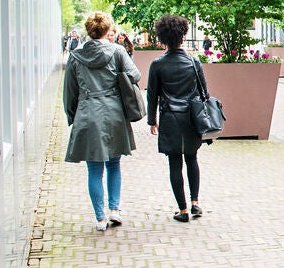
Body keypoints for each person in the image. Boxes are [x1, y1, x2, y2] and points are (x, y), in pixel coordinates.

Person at [63, 12, 140, 231]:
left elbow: (70, 90)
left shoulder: (76, 56)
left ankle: (100, 218)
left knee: (94, 169)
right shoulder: (117, 51)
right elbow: (135, 75)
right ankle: (114, 210)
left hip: (88, 113)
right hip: (114, 112)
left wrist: (72, 116)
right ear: (108, 31)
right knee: (114, 164)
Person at [146, 15, 207, 223]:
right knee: (192, 158)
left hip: (170, 118)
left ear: (162, 38)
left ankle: (182, 211)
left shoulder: (157, 65)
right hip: (191, 118)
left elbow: (152, 94)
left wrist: (152, 120)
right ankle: (195, 202)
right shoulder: (194, 61)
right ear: (183, 35)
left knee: (174, 163)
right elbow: (204, 93)